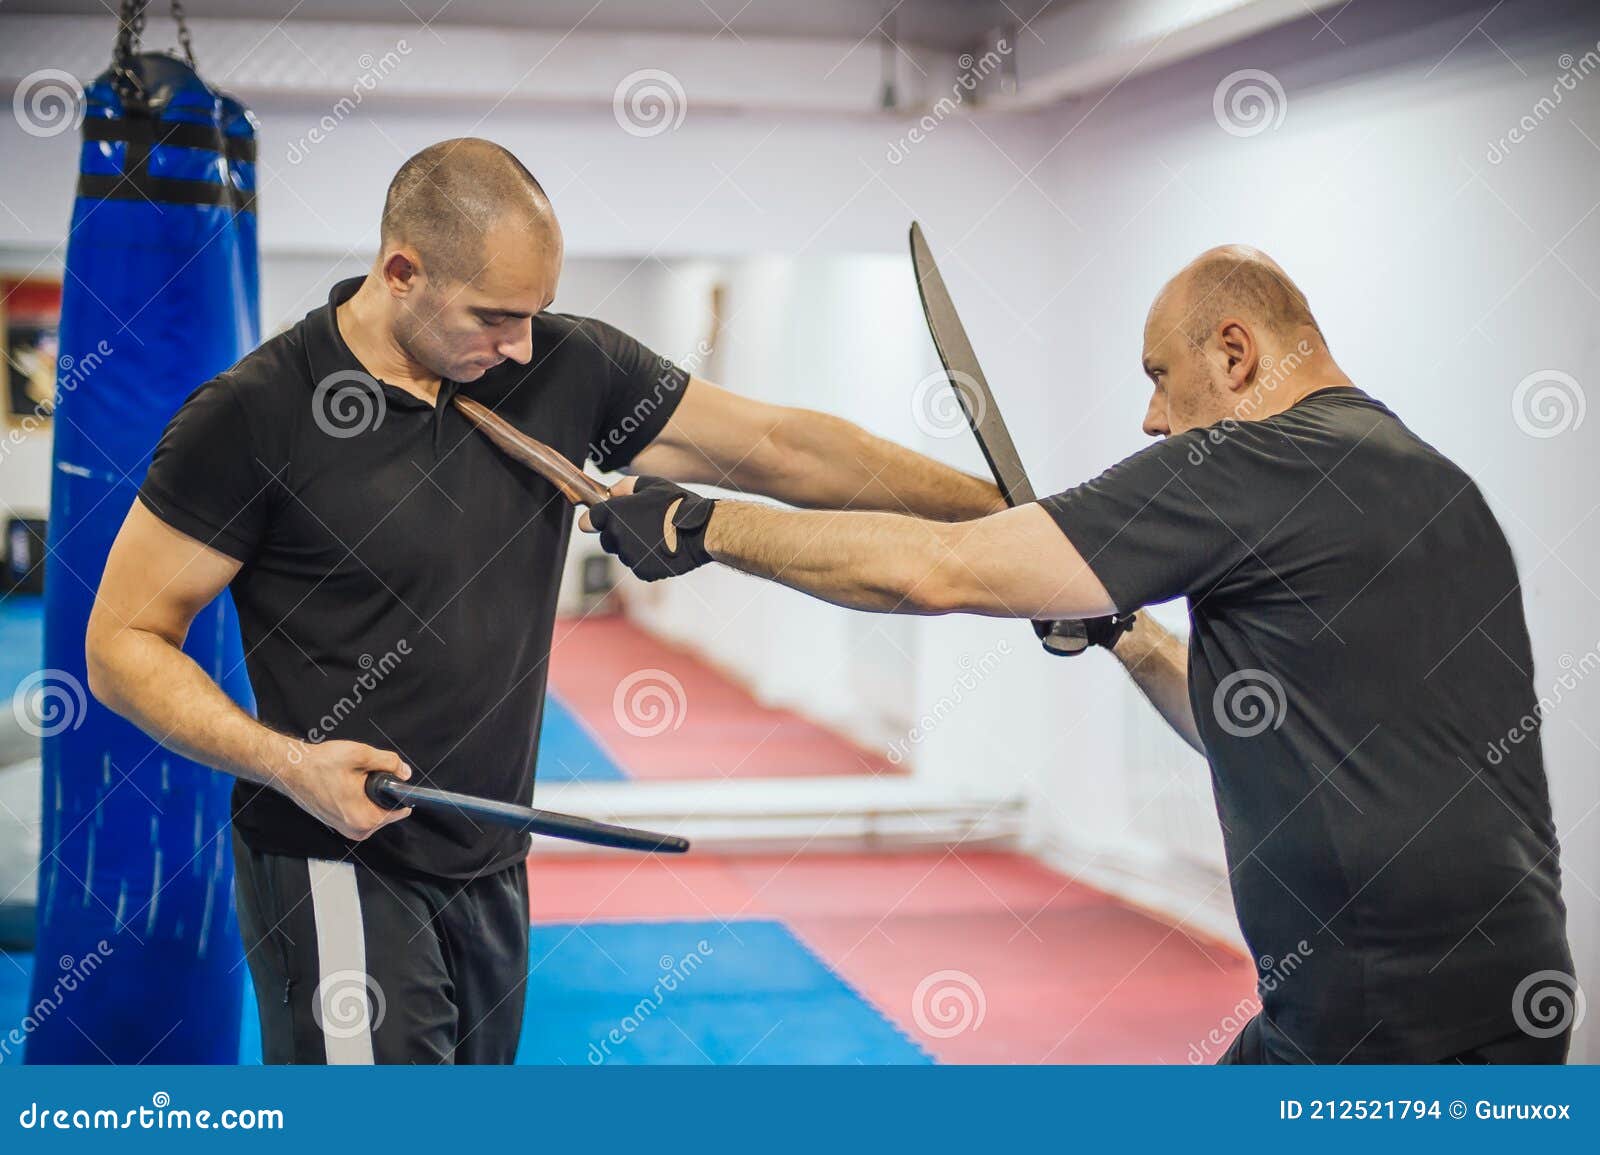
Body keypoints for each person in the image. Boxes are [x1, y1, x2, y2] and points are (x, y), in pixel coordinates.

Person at [83, 137, 1006, 1064]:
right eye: (493, 316)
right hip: (336, 856)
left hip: (492, 859)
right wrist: (287, 763)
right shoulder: (255, 413)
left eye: (535, 312)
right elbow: (123, 642)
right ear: (401, 272)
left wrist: (1008, 520)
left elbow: (782, 448)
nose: (520, 344)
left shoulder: (562, 367)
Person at [586, 245, 1576, 1064]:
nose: (1153, 417)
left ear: (1235, 353)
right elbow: (1246, 727)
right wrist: (1124, 632)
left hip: (1376, 1018)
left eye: (1159, 376)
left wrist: (702, 525)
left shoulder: (1245, 465)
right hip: (1503, 983)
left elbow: (933, 570)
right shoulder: (1439, 487)